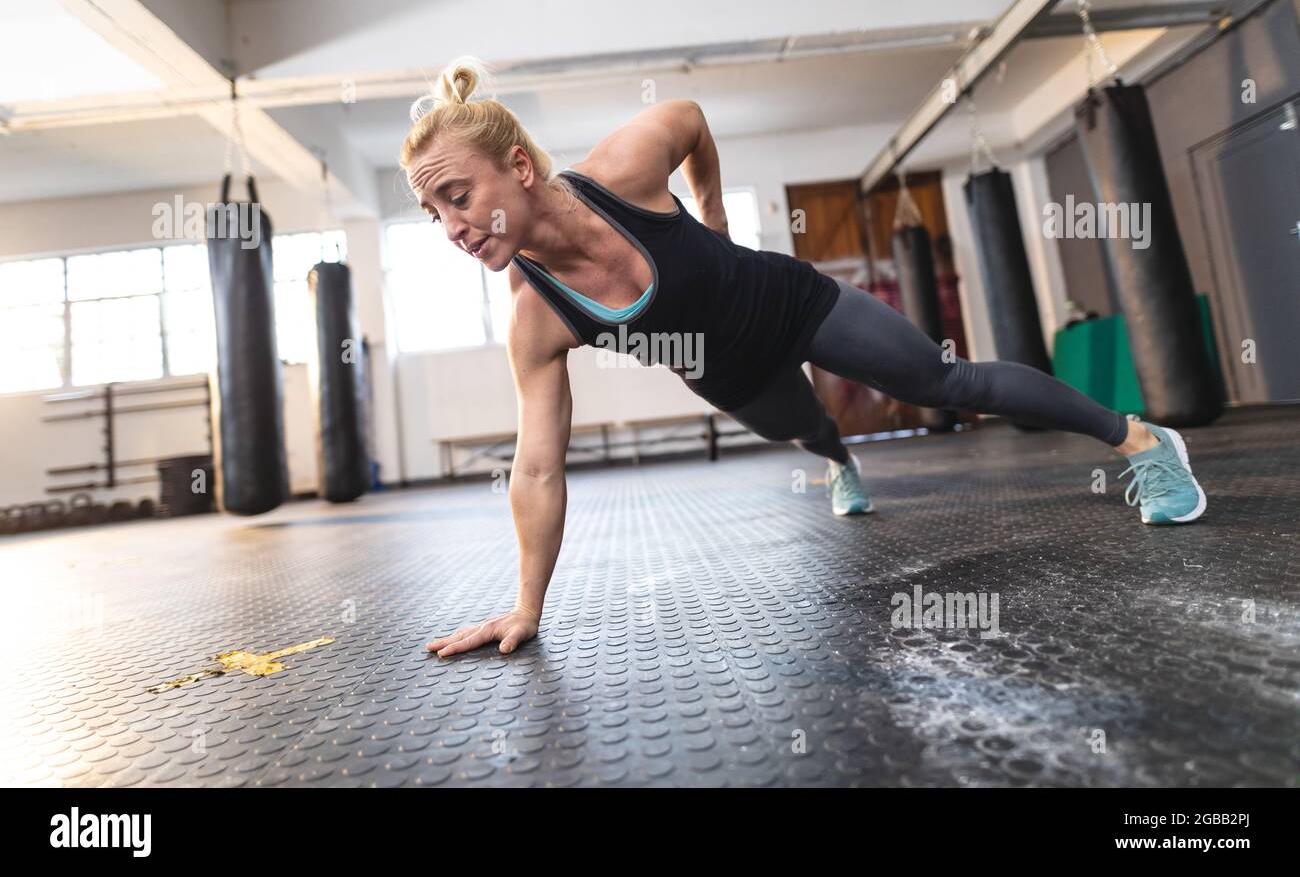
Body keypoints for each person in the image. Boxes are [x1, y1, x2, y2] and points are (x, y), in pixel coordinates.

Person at [402, 56, 1207, 659]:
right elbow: (538, 469)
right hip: (730, 375)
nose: (451, 228)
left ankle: (1140, 441)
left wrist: (713, 213)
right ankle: (839, 461)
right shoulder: (536, 318)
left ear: (517, 166)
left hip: (790, 301)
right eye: (432, 211)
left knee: (941, 378)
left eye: (458, 197)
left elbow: (687, 115)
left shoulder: (620, 172)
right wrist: (525, 607)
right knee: (812, 431)